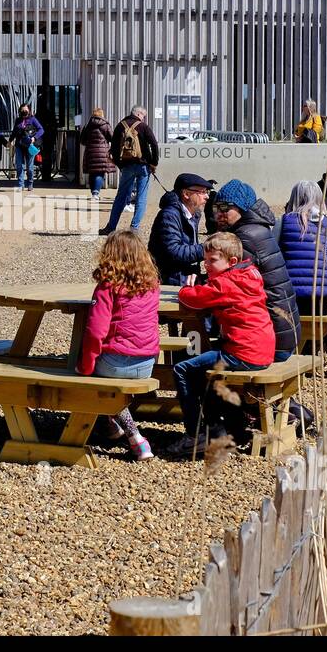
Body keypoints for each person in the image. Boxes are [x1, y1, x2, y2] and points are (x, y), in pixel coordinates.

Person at [167, 231, 276, 457]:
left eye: (212, 261)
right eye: (205, 260)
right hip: (262, 350)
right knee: (201, 366)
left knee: (182, 368)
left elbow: (191, 299)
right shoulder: (250, 274)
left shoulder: (224, 284)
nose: (206, 265)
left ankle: (194, 435)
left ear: (231, 262)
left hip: (242, 353)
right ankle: (220, 426)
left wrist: (187, 287)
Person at [76, 231, 161, 462]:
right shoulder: (152, 285)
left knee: (89, 375)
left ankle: (135, 436)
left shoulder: (108, 286)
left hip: (117, 361)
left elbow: (96, 332)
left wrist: (84, 366)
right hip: (147, 361)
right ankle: (111, 426)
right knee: (106, 380)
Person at [211, 179, 300, 361]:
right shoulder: (255, 229)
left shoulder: (245, 237)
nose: (219, 213)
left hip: (271, 341)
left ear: (242, 209)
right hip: (283, 334)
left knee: (194, 362)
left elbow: (228, 288)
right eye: (216, 208)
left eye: (226, 208)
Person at [278, 181, 327, 380]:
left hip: (292, 295)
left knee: (306, 320)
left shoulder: (284, 221)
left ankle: (296, 363)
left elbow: (276, 252)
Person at [99, 106, 160, 235]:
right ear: (138, 114)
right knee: (141, 197)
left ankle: (110, 227)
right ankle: (134, 228)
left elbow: (114, 148)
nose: (144, 118)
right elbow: (154, 144)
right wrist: (153, 163)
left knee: (121, 196)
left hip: (127, 166)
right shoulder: (143, 127)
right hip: (143, 166)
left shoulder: (120, 125)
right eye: (143, 115)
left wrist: (120, 165)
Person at [148, 172, 212, 286]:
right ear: (186, 194)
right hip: (168, 279)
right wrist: (207, 249)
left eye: (207, 192)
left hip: (185, 275)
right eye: (202, 192)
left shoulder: (194, 213)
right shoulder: (169, 215)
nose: (207, 196)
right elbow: (174, 251)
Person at [80, 107, 114, 200]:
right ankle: (96, 193)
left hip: (90, 152)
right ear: (102, 115)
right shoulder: (105, 125)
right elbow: (112, 138)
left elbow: (82, 140)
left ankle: (93, 193)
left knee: (92, 172)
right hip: (103, 152)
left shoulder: (88, 125)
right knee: (100, 172)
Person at [9, 104, 44, 192]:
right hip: (19, 145)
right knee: (19, 165)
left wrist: (34, 138)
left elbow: (41, 129)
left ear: (29, 110)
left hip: (29, 145)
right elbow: (14, 131)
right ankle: (21, 185)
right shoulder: (18, 120)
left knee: (30, 167)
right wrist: (10, 141)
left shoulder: (33, 119)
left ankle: (30, 183)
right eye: (22, 110)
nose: (24, 112)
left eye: (26, 110)